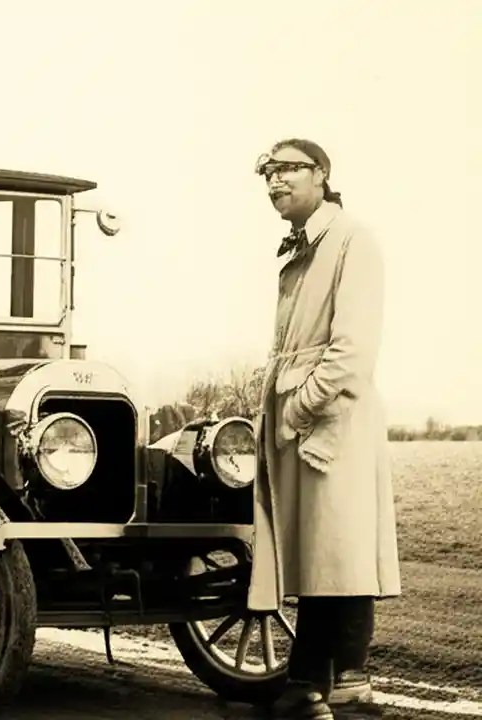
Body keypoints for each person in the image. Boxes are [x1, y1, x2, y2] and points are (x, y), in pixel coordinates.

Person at [247, 139, 401, 719]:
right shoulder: (307, 245)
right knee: (324, 552)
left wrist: (298, 409)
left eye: (286, 169)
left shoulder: (353, 240)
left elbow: (352, 351)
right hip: (308, 415)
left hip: (333, 418)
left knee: (340, 549)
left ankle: (324, 682)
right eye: (267, 172)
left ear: (322, 174)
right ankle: (330, 682)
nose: (273, 181)